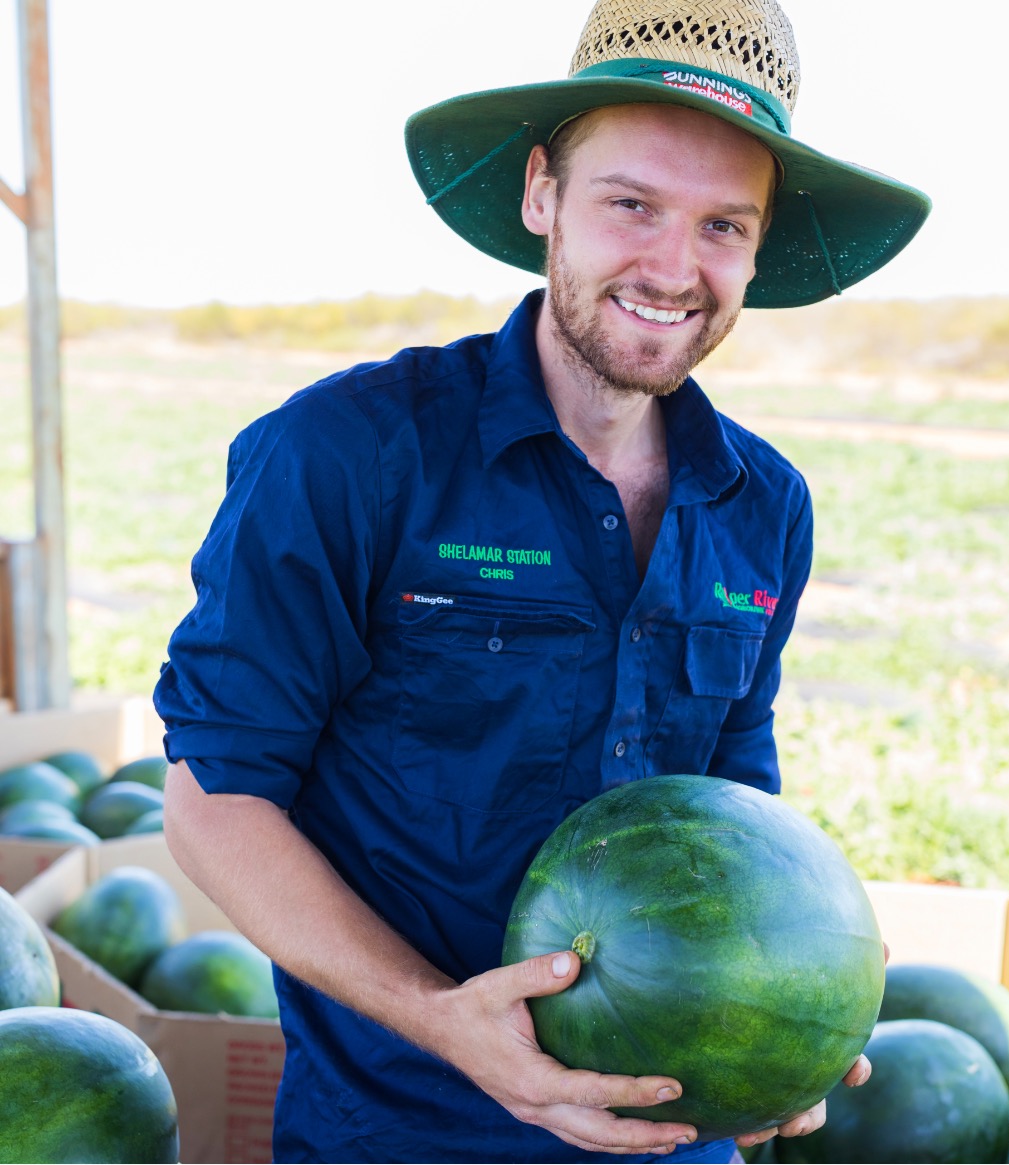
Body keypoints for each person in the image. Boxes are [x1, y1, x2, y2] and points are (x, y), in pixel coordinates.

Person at [155, 1, 930, 1162]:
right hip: (405, 1133)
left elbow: (734, 808)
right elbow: (214, 800)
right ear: (540, 197)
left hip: (677, 1133)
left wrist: (800, 1014)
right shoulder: (347, 455)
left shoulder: (763, 505)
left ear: (760, 250)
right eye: (632, 204)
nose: (673, 267)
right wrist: (441, 1019)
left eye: (724, 224)